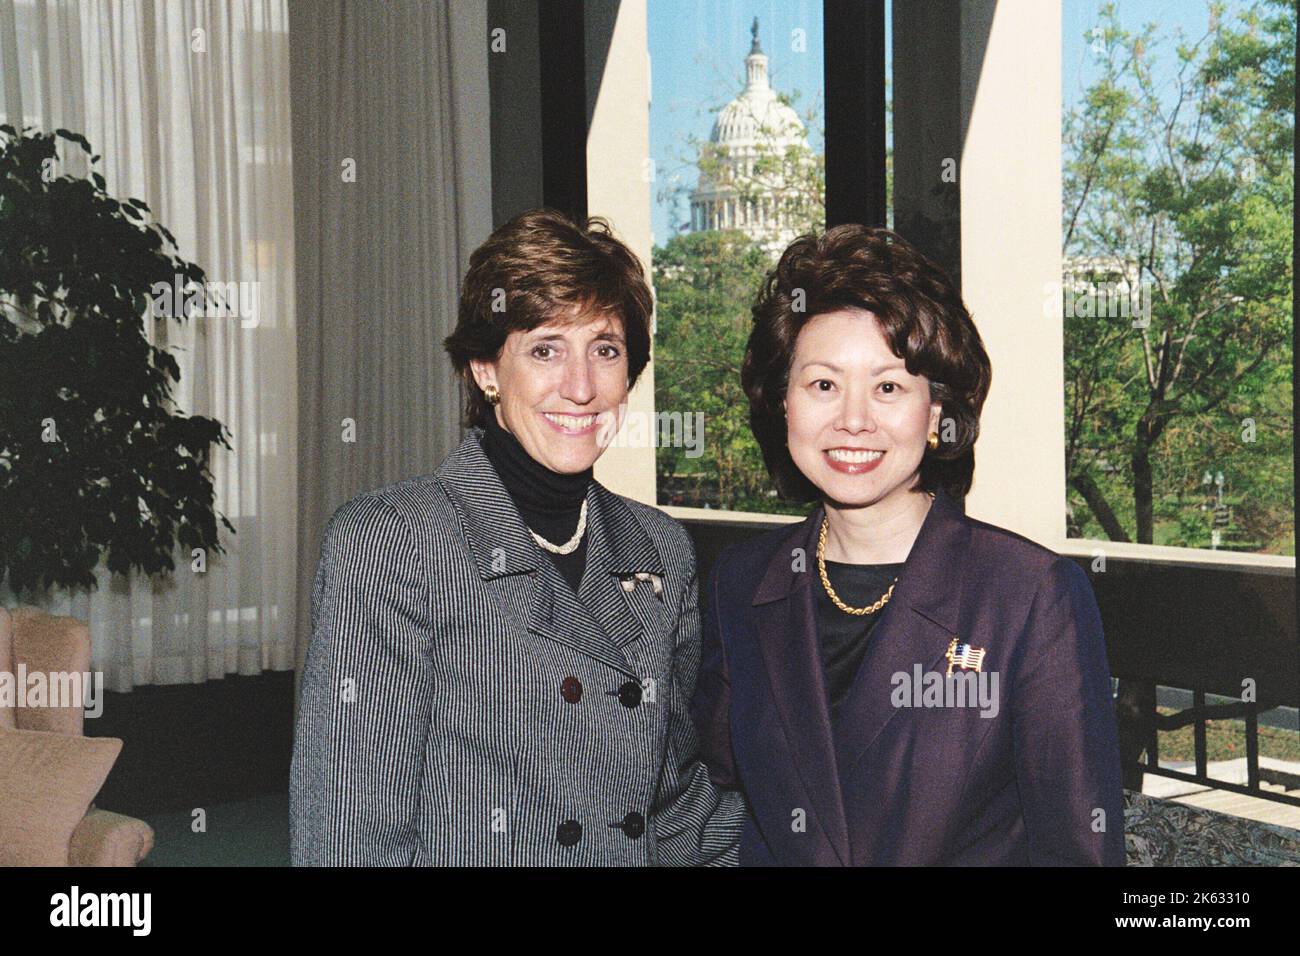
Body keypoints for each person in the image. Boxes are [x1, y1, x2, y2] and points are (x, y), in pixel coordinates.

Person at [291, 208, 742, 865]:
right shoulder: (392, 542)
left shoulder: (659, 548)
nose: (581, 387)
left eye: (606, 350)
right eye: (545, 348)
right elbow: (348, 837)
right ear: (485, 369)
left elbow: (669, 810)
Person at [691, 225, 1125, 865]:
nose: (854, 419)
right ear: (783, 404)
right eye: (823, 385)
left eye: (888, 387)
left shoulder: (1028, 595)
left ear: (935, 413)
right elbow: (717, 798)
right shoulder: (742, 579)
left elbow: (1078, 851)